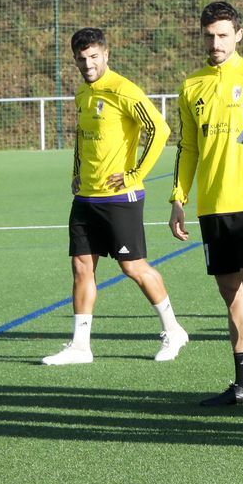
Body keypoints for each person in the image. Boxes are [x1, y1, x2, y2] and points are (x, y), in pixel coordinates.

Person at [44, 27, 187, 366]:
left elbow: (159, 129)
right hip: (86, 198)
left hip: (121, 197)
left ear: (106, 55)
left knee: (132, 266)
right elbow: (82, 137)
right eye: (82, 58)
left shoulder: (123, 89)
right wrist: (76, 172)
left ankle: (173, 329)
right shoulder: (82, 93)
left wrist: (135, 174)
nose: (88, 63)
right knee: (81, 268)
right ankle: (80, 346)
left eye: (94, 56)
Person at [169, 2, 243, 408]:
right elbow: (188, 148)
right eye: (209, 35)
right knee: (230, 296)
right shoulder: (192, 85)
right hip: (211, 207)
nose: (215, 42)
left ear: (239, 35)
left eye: (222, 35)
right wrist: (178, 198)